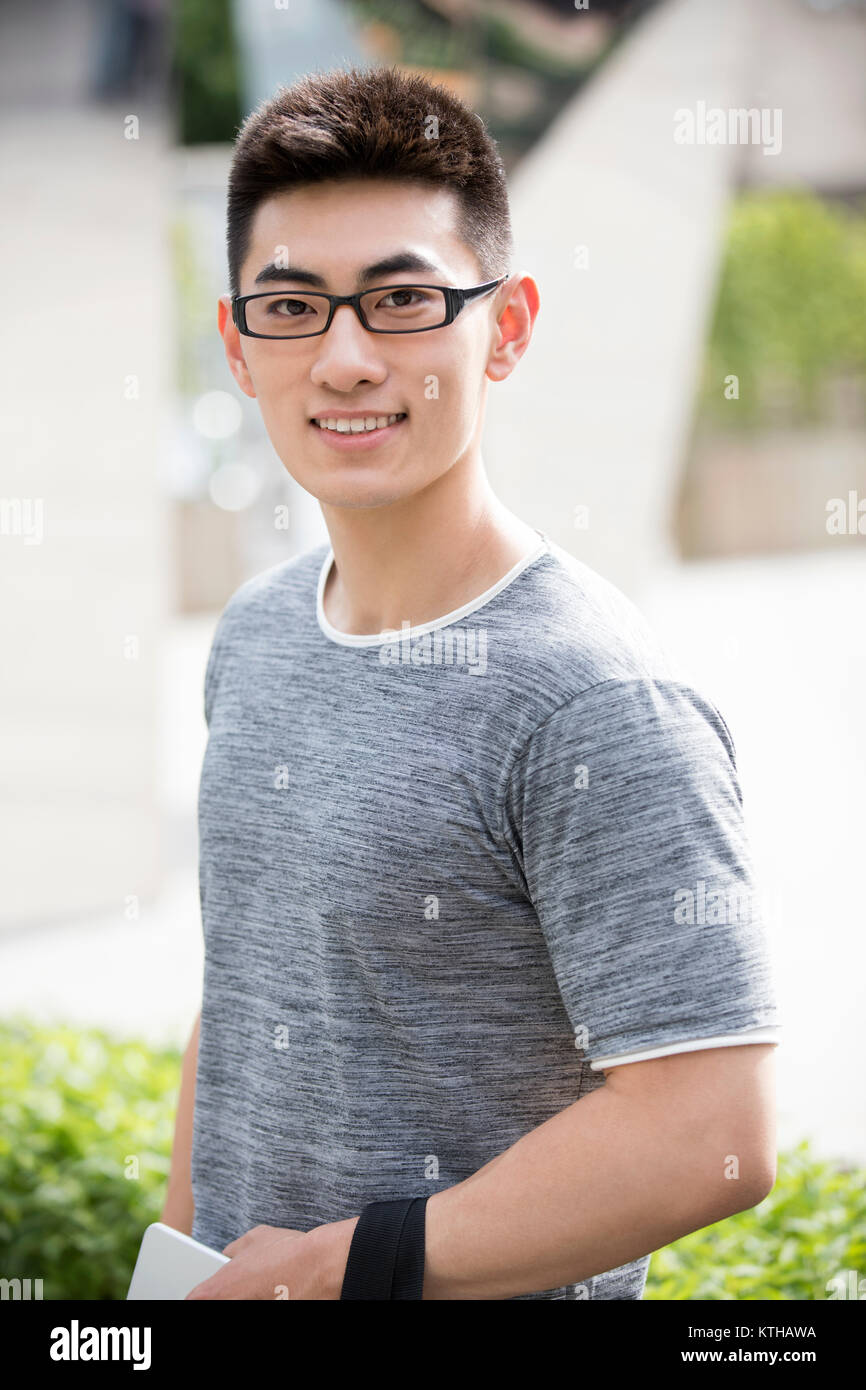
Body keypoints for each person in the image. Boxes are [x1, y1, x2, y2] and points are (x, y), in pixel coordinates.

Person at [161, 65, 780, 1300]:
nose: (342, 359)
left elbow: (708, 1129)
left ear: (504, 325)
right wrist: (178, 1268)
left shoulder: (594, 699)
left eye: (401, 299)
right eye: (291, 309)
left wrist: (331, 1274)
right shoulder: (258, 635)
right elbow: (240, 1000)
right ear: (237, 345)